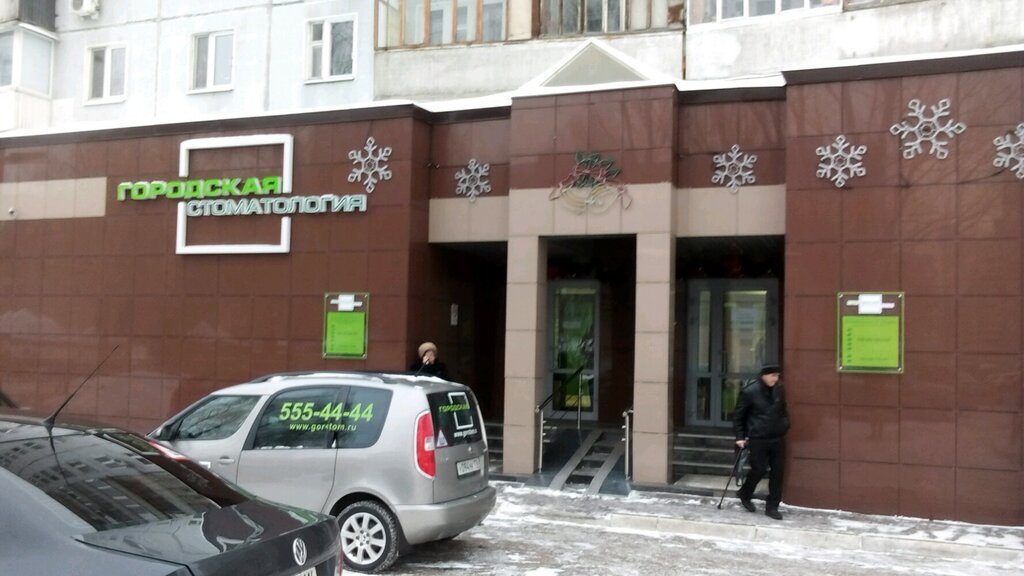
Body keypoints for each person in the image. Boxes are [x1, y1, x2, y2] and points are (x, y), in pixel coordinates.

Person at [733, 362, 790, 520]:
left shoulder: (779, 389)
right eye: (773, 375)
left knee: (778, 472)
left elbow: (783, 409)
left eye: (777, 375)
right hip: (758, 438)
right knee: (759, 469)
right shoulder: (749, 391)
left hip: (778, 437)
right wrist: (739, 437)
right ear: (764, 375)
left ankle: (772, 507)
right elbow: (738, 416)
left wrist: (785, 424)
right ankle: (745, 493)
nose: (776, 378)